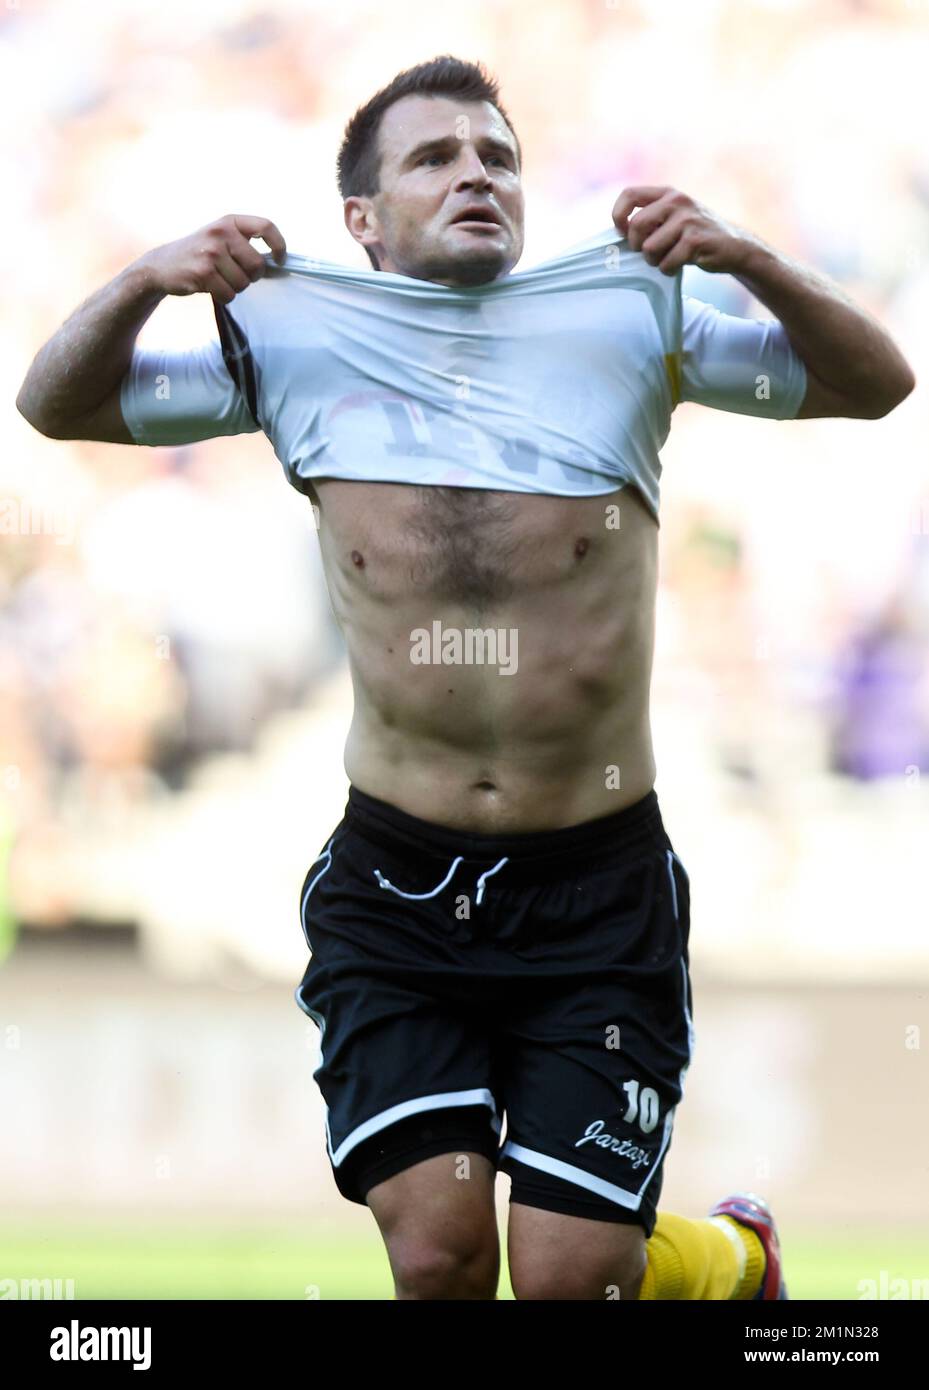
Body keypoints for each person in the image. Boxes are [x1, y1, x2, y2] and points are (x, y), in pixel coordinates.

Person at [16, 55, 915, 1301]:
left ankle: (727, 1263)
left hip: (594, 887)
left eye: (496, 155)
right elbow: (59, 406)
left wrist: (741, 255)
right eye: (433, 158)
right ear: (361, 220)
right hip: (394, 886)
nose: (475, 175)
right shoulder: (292, 337)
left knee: (566, 1286)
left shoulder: (626, 316)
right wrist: (139, 282)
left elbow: (875, 384)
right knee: (439, 1259)